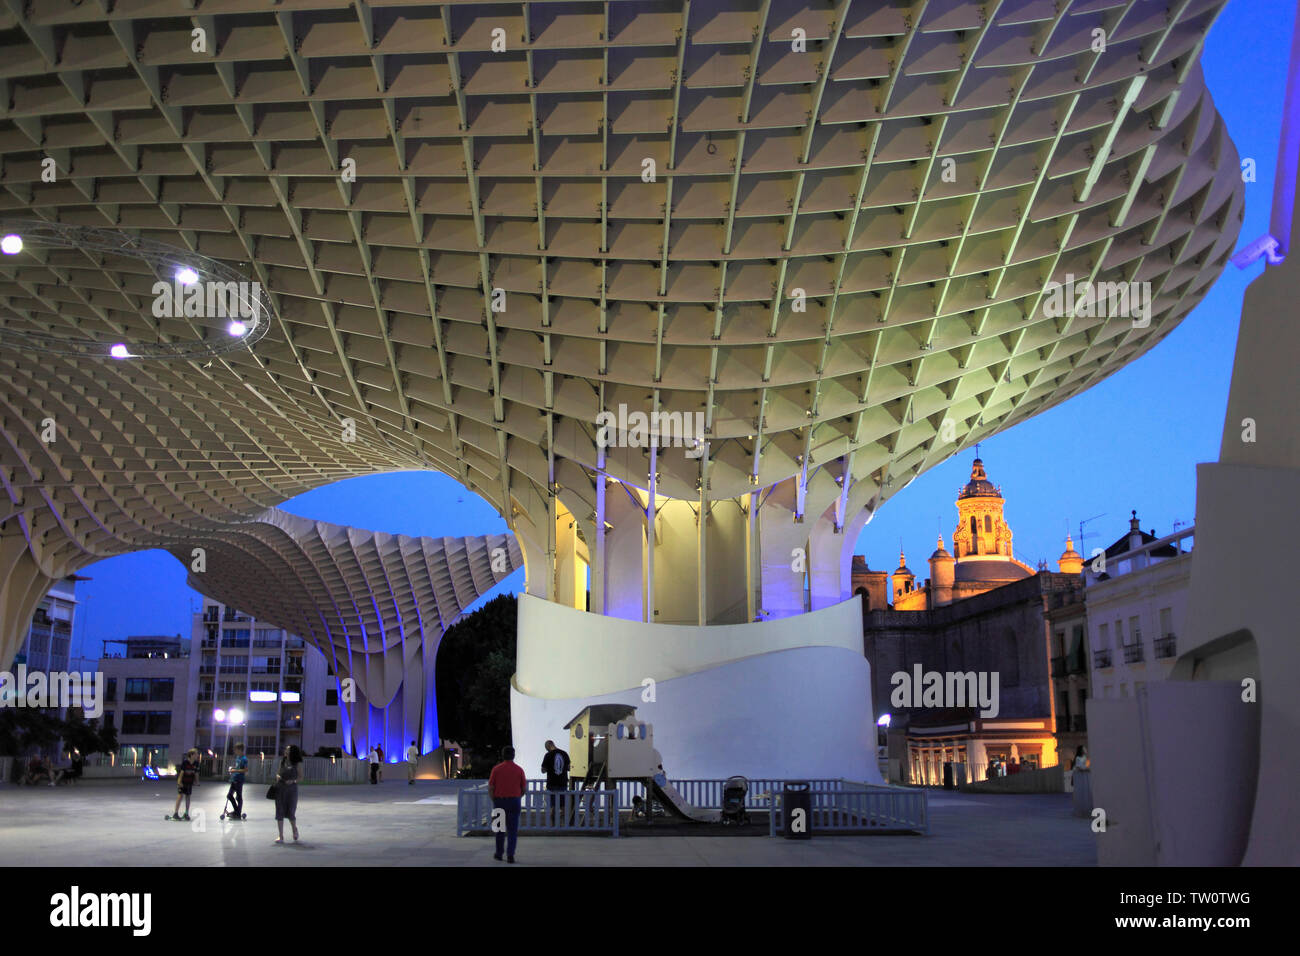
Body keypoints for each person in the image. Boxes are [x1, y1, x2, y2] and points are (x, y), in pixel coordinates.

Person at [487, 746, 526, 863]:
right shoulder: (519, 770)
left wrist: (494, 799)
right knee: (512, 831)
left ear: (502, 755)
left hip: (499, 801)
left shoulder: (496, 769)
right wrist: (518, 796)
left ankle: (499, 853)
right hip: (514, 801)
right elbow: (523, 788)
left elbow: (491, 787)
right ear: (513, 755)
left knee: (499, 830)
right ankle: (510, 855)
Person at [273, 744, 302, 844]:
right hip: (280, 788)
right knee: (279, 811)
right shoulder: (283, 761)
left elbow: (300, 777)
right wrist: (277, 776)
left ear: (292, 752)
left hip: (291, 790)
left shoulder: (297, 763)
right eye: (286, 749)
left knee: (290, 812)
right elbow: (278, 773)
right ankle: (281, 836)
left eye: (288, 749)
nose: (286, 751)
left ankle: (294, 829)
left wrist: (293, 781)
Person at [541, 740, 570, 825]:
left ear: (549, 746)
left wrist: (549, 768)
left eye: (546, 748)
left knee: (552, 806)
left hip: (551, 784)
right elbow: (569, 768)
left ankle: (553, 824)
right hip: (563, 783)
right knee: (563, 805)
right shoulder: (564, 753)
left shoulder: (548, 755)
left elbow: (543, 770)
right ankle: (564, 823)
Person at [172, 748, 200, 820]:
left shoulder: (196, 763)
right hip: (183, 782)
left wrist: (197, 781)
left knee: (188, 797)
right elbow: (182, 772)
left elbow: (196, 773)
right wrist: (179, 781)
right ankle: (176, 813)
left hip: (189, 782)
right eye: (196, 754)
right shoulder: (185, 762)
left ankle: (186, 813)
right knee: (180, 796)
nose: (197, 755)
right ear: (191, 755)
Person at [225, 743, 248, 818]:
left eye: (236, 750)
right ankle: (236, 811)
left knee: (238, 797)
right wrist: (232, 768)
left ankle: (238, 813)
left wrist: (234, 770)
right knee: (229, 795)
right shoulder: (238, 757)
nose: (235, 752)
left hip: (239, 780)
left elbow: (245, 770)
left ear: (240, 750)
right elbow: (237, 767)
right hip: (234, 779)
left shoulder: (244, 759)